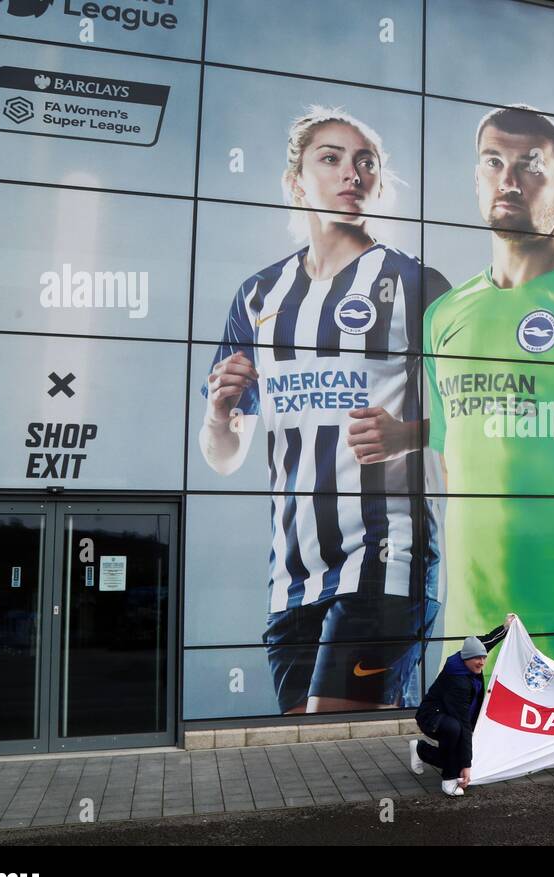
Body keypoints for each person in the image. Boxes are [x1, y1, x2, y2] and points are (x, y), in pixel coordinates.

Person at [200, 105, 449, 714]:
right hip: (293, 575)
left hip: (387, 559)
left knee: (333, 736)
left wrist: (407, 434)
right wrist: (218, 412)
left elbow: (475, 421)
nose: (351, 173)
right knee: (313, 757)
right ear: (295, 182)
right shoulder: (259, 295)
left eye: (365, 162)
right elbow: (224, 456)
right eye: (331, 158)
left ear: (380, 183)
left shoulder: (416, 285)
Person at [423, 104, 554, 678]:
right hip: (467, 650)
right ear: (476, 178)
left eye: (530, 166)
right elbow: (449, 471)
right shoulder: (443, 316)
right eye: (493, 162)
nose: (508, 180)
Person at [410, 617, 511, 796]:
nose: (481, 662)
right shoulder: (458, 681)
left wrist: (505, 628)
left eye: (483, 657)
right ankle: (448, 780)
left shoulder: (469, 657)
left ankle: (421, 750)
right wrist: (466, 765)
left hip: (447, 713)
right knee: (455, 730)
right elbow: (462, 723)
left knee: (455, 748)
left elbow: (486, 641)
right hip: (431, 717)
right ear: (466, 659)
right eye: (477, 659)